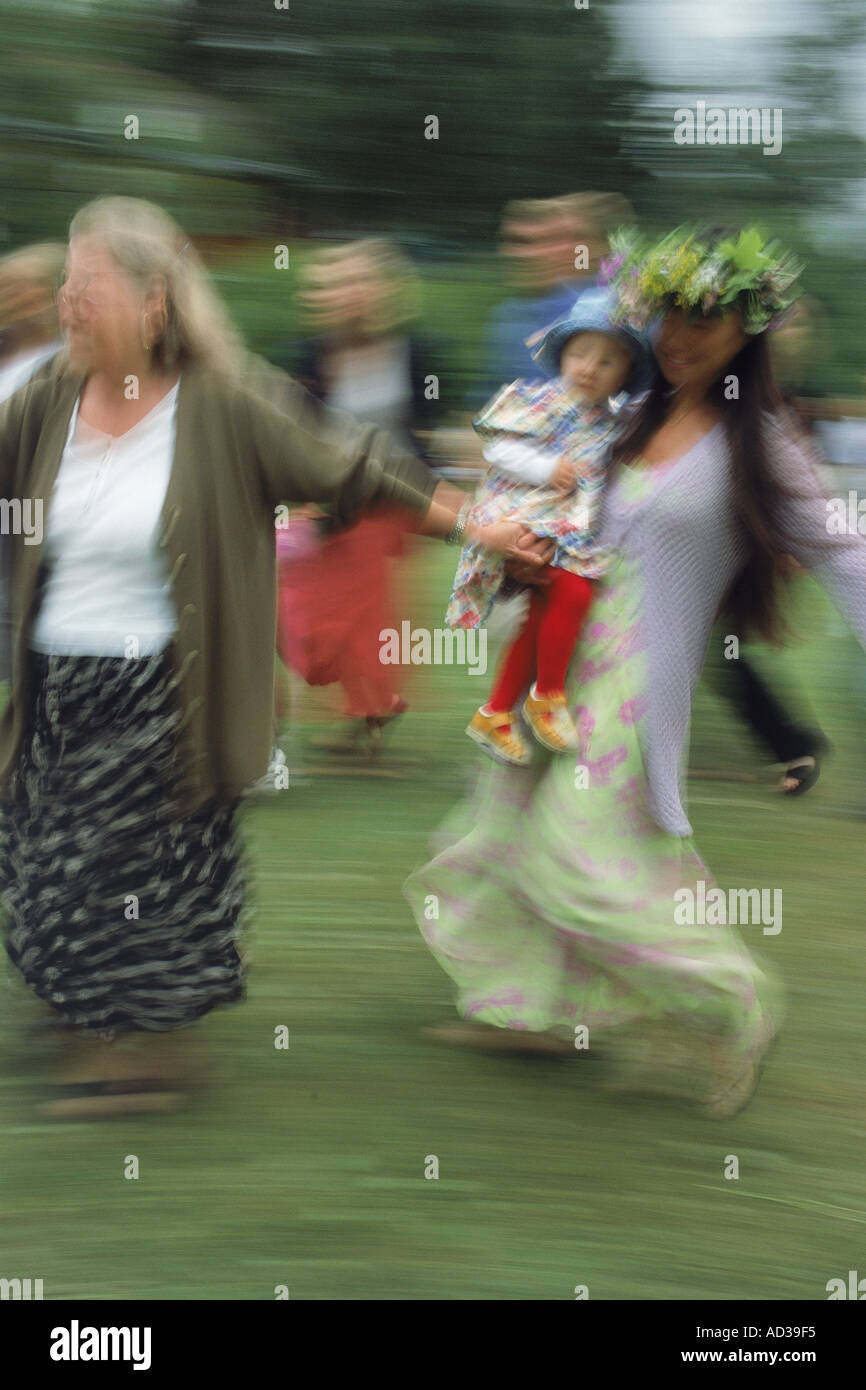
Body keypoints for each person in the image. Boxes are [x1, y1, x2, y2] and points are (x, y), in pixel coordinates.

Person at [0, 197, 536, 1118]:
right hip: (56, 683)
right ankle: (94, 1010)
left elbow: (357, 463)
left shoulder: (222, 402)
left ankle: (151, 1057)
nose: (67, 303)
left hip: (166, 684)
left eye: (86, 285)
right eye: (64, 286)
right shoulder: (48, 399)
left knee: (136, 867)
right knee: (37, 857)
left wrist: (475, 522)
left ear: (154, 302)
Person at [405, 224, 866, 1119]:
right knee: (500, 831)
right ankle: (528, 1014)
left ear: (747, 332)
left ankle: (735, 999)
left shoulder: (762, 443)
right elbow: (552, 500)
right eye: (667, 316)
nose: (681, 337)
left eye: (708, 320)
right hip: (550, 660)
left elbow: (847, 555)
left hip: (632, 682)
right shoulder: (626, 412)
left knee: (573, 854)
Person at [448, 289, 652, 763]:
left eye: (606, 362)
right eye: (581, 354)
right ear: (562, 354)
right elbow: (497, 449)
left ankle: (496, 712)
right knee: (576, 593)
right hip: (526, 519)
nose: (589, 368)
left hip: (569, 532)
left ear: (623, 375)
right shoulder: (538, 399)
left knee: (546, 611)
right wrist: (545, 468)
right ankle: (548, 695)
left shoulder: (614, 422)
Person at [273, 239, 449, 756]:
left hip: (393, 500)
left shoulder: (416, 352)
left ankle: (371, 713)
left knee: (366, 611)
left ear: (384, 290)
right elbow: (295, 433)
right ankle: (366, 704)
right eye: (342, 283)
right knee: (305, 616)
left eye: (363, 281)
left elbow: (425, 429)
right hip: (330, 501)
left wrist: (435, 495)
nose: (353, 293)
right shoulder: (310, 356)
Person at [469, 192, 634, 408]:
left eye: (532, 242)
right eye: (513, 241)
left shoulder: (600, 311)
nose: (520, 254)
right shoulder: (505, 318)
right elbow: (487, 402)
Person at [0, 243, 66, 684]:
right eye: (5, 288)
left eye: (24, 288)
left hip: (35, 505)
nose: (12, 299)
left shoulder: (64, 362)